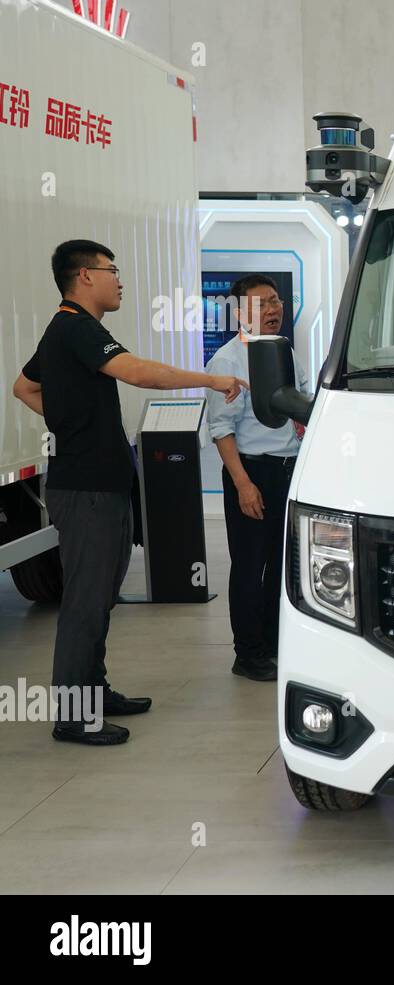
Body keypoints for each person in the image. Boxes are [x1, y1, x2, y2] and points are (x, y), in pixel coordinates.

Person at [10, 240, 246, 745]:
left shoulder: (72, 330)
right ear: (85, 277)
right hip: (87, 490)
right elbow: (138, 373)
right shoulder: (74, 328)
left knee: (100, 597)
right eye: (112, 270)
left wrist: (68, 422)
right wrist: (209, 377)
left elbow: (24, 387)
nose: (120, 279)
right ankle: (74, 716)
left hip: (102, 486)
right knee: (85, 601)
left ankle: (94, 691)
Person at [206, 275, 310, 681]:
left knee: (281, 565)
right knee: (250, 568)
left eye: (276, 301)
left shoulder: (284, 352)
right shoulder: (229, 361)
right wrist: (243, 484)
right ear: (240, 312)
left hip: (288, 471)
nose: (273, 309)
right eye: (262, 303)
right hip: (253, 472)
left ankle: (270, 644)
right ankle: (247, 653)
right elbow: (221, 429)